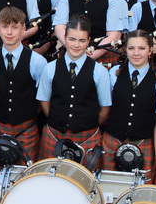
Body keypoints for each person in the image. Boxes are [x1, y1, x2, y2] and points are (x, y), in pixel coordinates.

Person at [0, 7, 48, 179]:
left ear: (23, 29)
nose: (9, 32)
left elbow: (43, 99)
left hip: (26, 128)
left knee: (25, 181)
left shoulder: (38, 62)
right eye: (5, 27)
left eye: (15, 27)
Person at [36, 15, 112, 161]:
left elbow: (105, 109)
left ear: (88, 41)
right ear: (64, 38)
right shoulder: (49, 68)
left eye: (82, 40)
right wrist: (57, 120)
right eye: (72, 39)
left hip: (87, 137)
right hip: (54, 135)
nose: (76, 45)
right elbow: (44, 101)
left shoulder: (100, 72)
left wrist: (88, 125)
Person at [101, 30, 156, 173]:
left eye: (142, 48)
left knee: (140, 193)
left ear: (150, 50)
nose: (136, 53)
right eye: (131, 48)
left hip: (143, 143)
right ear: (125, 50)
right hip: (112, 141)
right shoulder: (113, 73)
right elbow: (105, 107)